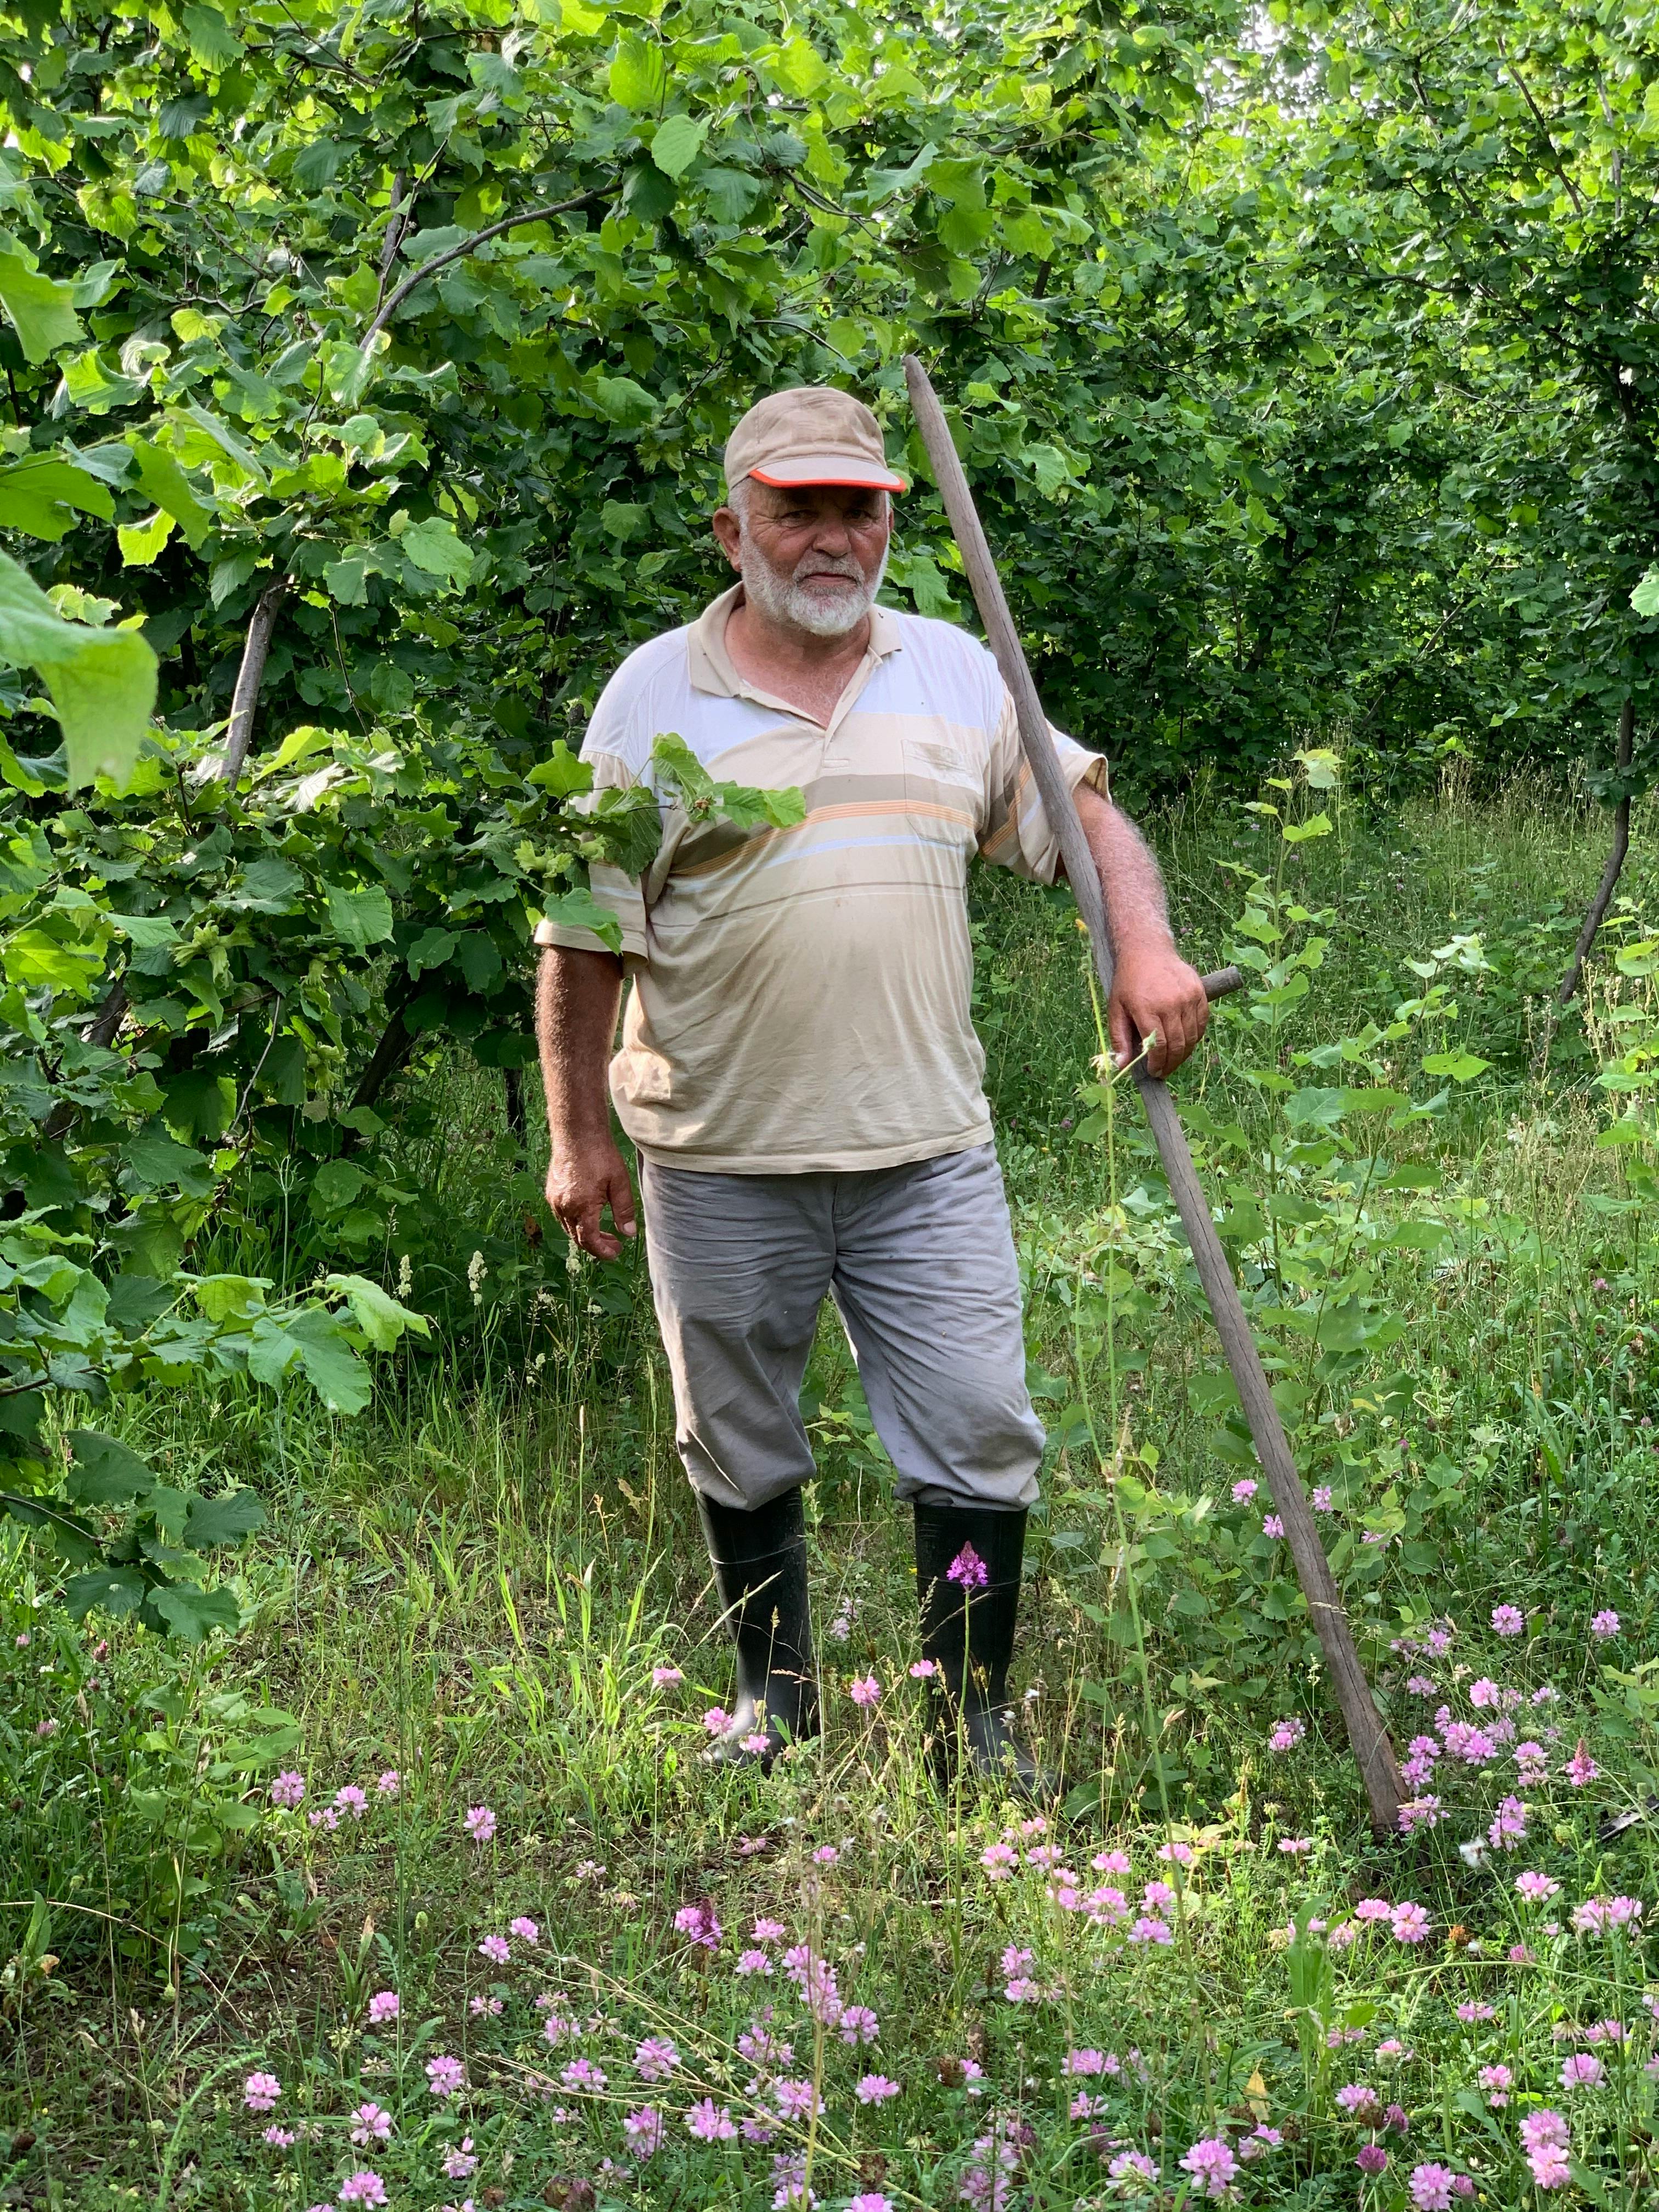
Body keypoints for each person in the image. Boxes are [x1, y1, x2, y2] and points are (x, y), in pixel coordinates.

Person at [535, 385, 1208, 1788]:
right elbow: (586, 935)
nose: (835, 538)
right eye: (801, 510)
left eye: (863, 509)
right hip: (718, 1153)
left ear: (891, 525)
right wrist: (577, 1137)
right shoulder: (651, 698)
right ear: (735, 529)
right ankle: (772, 1698)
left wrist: (1141, 943)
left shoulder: (958, 673)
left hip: (926, 1155)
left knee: (976, 1429)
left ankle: (970, 1717)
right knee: (736, 1436)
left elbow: (1085, 823)